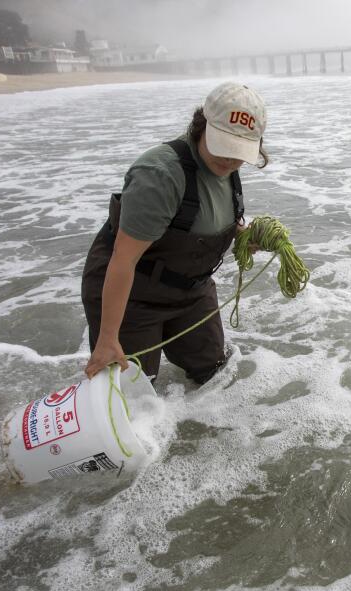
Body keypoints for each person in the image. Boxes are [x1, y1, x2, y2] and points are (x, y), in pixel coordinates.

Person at [81, 82, 268, 384]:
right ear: (202, 125)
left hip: (192, 292)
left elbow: (203, 218)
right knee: (134, 397)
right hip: (133, 296)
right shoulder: (160, 174)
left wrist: (242, 235)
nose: (230, 160)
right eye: (223, 145)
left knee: (215, 376)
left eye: (239, 151)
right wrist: (107, 339)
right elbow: (123, 260)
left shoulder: (228, 171)